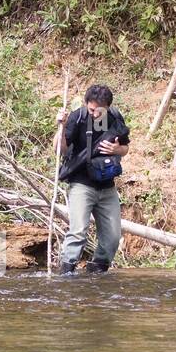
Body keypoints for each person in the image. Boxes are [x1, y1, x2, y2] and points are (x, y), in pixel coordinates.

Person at [53, 84, 130, 274]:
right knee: (78, 231)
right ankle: (65, 273)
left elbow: (125, 148)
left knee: (112, 236)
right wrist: (60, 128)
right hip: (81, 184)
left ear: (108, 107)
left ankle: (97, 273)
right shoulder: (77, 117)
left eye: (100, 111)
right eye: (92, 110)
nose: (95, 114)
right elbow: (59, 150)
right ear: (86, 104)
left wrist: (116, 150)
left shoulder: (114, 117)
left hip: (107, 185)